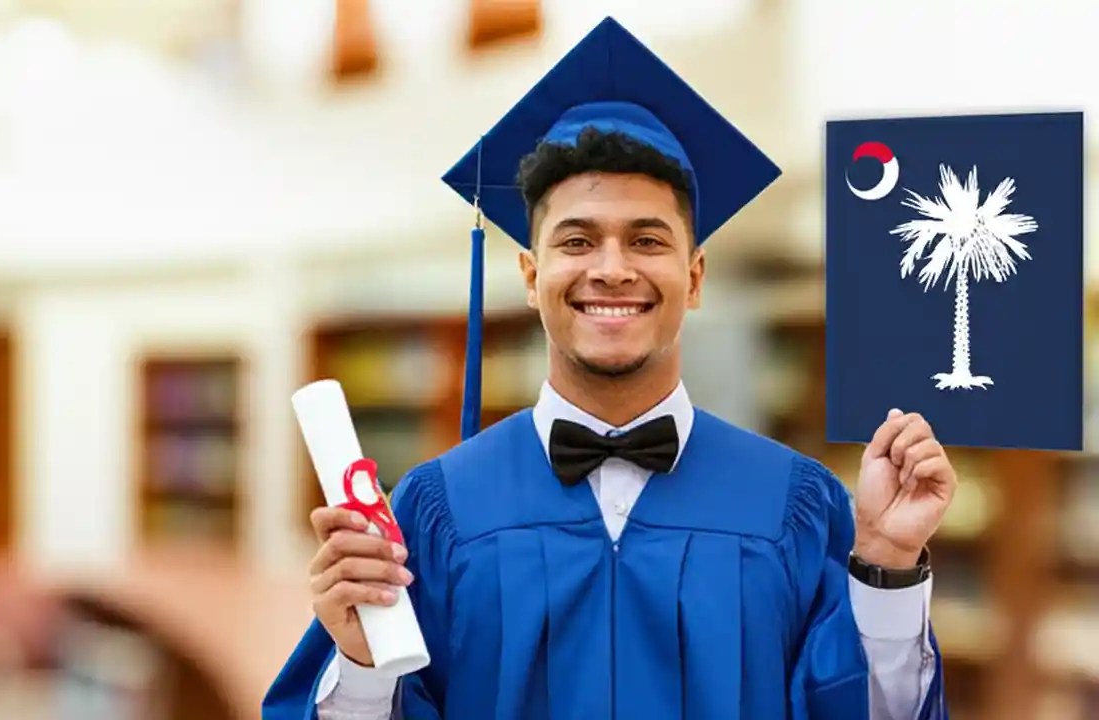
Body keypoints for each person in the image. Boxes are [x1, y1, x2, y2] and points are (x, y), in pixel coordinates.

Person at [264, 16, 953, 720]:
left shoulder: (797, 505)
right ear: (532, 276)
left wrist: (887, 564)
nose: (613, 269)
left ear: (695, 274)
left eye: (647, 240)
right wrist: (360, 666)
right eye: (578, 240)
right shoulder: (435, 508)